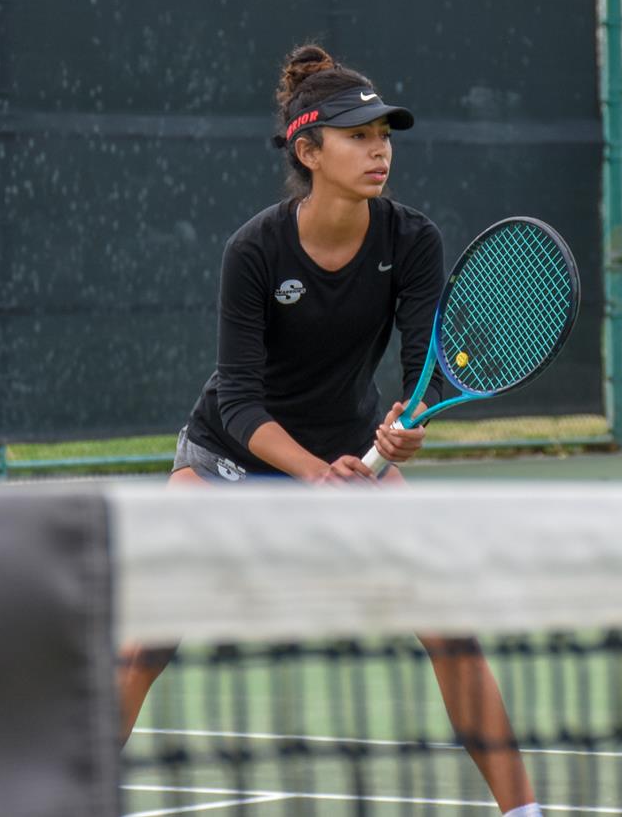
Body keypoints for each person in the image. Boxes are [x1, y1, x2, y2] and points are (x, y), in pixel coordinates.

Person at [115, 42, 543, 817]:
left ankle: (526, 811)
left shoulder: (413, 241)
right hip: (229, 457)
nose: (379, 149)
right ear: (308, 150)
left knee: (451, 625)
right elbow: (240, 403)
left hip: (352, 452)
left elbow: (424, 366)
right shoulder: (253, 250)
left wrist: (402, 433)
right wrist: (316, 475)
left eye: (385, 134)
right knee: (149, 633)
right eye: (358, 135)